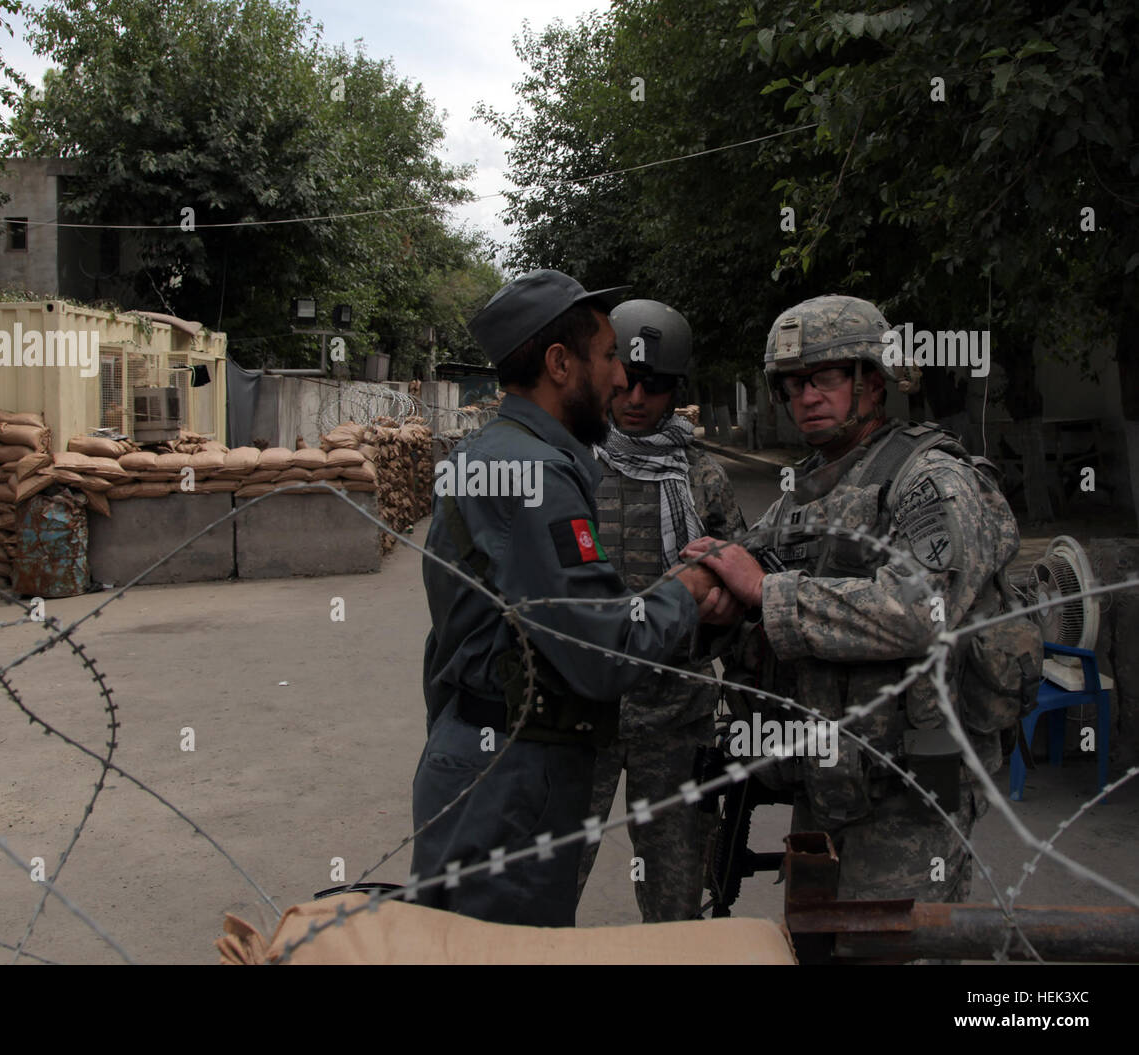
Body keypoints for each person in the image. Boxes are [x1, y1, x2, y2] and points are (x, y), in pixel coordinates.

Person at [412, 270, 737, 927]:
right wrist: (695, 585)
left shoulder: (504, 454)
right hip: (513, 776)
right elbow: (599, 647)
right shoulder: (535, 473)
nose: (623, 381)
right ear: (561, 364)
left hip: (498, 757)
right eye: (611, 355)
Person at [683, 294, 1022, 904]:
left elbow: (920, 609)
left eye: (827, 377)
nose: (807, 396)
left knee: (890, 943)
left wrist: (765, 592)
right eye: (793, 383)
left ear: (872, 381)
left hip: (911, 783)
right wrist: (724, 600)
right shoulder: (810, 486)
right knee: (821, 938)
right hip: (832, 777)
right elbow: (751, 569)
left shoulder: (931, 479)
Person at [575, 299, 745, 922]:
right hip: (582, 714)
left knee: (674, 900)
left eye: (656, 385)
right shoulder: (574, 467)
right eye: (628, 380)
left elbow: (744, 588)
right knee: (547, 885)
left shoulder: (704, 479)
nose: (637, 397)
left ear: (676, 391)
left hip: (675, 716)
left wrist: (719, 615)